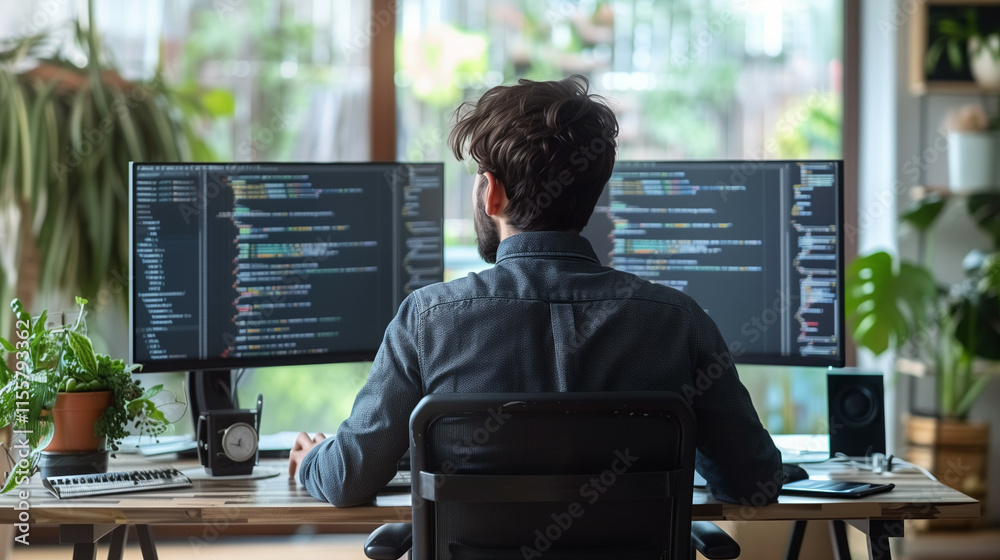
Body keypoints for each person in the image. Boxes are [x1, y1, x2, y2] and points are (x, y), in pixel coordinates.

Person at [289, 75, 782, 507]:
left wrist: (314, 460)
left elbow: (348, 478)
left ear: (493, 193)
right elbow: (754, 481)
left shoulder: (427, 320)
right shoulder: (678, 321)